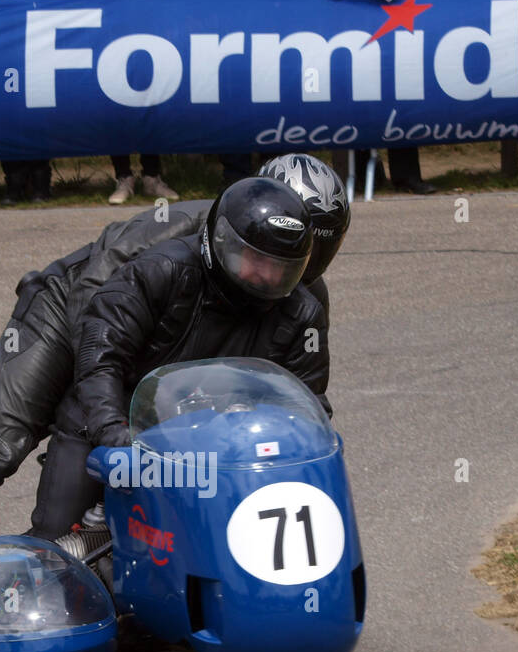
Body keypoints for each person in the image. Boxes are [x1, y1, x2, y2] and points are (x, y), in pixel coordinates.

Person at [0, 156, 350, 618]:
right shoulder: (182, 235)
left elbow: (288, 390)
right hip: (70, 313)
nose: (303, 255)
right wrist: (94, 409)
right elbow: (100, 312)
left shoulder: (294, 288)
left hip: (130, 346)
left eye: (319, 243)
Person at [27, 178, 330, 538]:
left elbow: (306, 404)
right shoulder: (160, 271)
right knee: (57, 537)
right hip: (113, 427)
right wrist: (113, 432)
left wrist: (307, 448)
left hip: (220, 451)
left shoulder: (302, 314)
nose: (266, 276)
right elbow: (100, 357)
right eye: (256, 259)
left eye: (280, 266)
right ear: (222, 243)